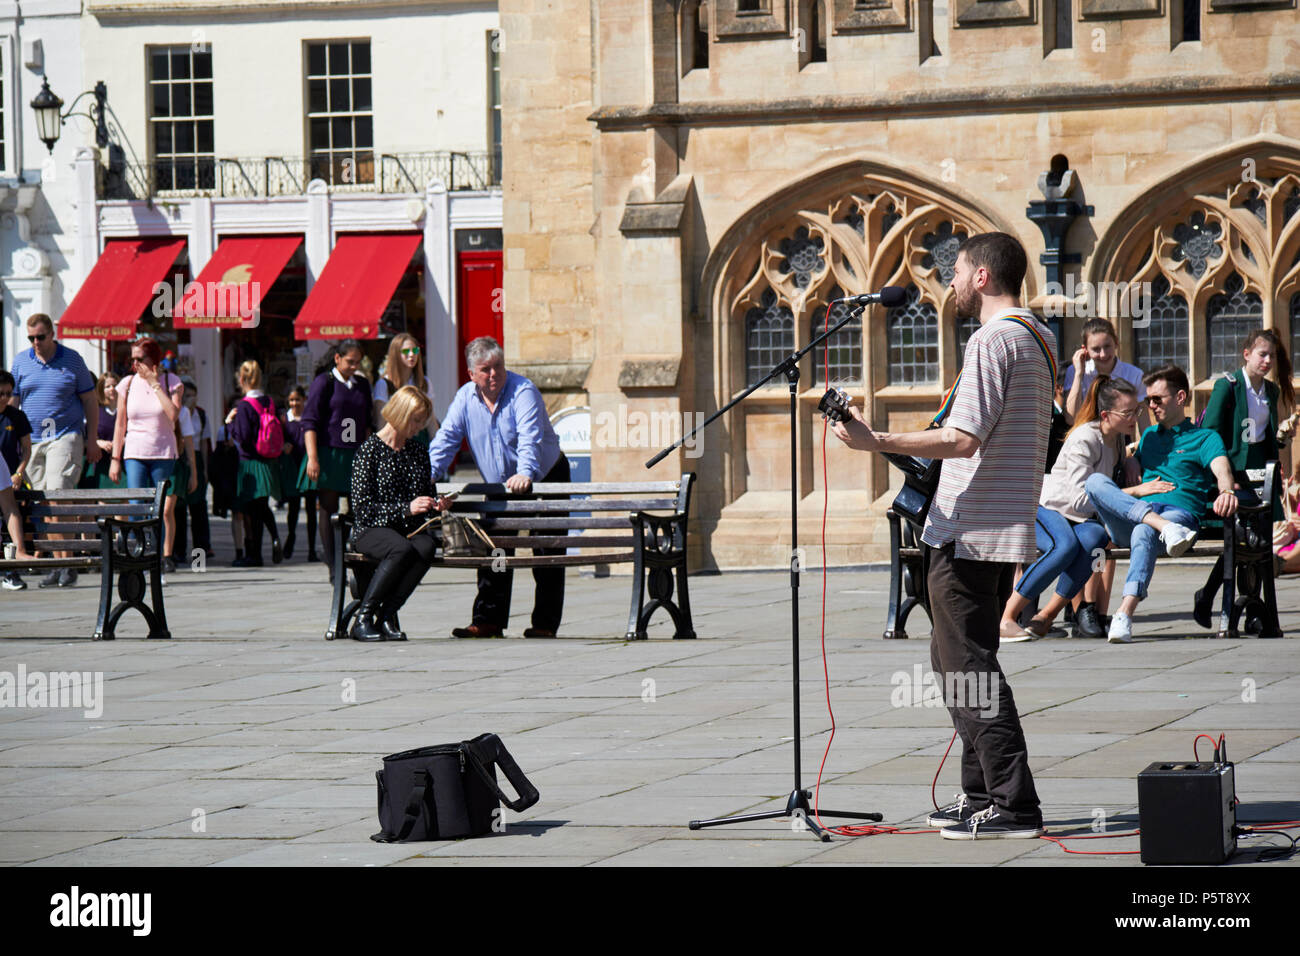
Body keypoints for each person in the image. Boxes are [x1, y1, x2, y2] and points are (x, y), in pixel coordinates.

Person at [831, 232, 1052, 839]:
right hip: (995, 524)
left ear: (982, 277)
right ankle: (979, 790)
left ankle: (1014, 803)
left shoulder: (992, 340)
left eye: (956, 272)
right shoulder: (1038, 338)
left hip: (971, 527)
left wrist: (880, 441)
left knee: (967, 666)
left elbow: (964, 439)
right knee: (957, 658)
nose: (948, 283)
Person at [1083, 365, 1240, 644]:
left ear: (1180, 397)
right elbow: (1128, 456)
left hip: (1178, 517)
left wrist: (1226, 490)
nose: (1151, 406)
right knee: (1094, 481)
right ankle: (1162, 527)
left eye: (1157, 399)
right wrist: (1131, 457)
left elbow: (1221, 467)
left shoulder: (1204, 438)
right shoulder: (1150, 437)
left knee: (1144, 531)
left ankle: (1124, 613)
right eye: (1148, 400)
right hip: (1138, 518)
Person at [427, 336, 569, 639]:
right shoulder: (465, 398)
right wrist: (425, 478)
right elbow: (445, 440)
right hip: (501, 483)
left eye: (498, 367)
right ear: (472, 374)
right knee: (495, 551)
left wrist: (525, 473)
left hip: (544, 475)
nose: (494, 374)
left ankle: (544, 623)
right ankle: (489, 620)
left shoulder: (523, 391)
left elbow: (529, 437)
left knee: (546, 550)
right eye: (486, 369)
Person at [999, 377, 1139, 642]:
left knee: (1097, 540)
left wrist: (1133, 460)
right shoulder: (1085, 439)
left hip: (1077, 516)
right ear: (1107, 415)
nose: (1134, 417)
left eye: (1136, 410)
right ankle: (1007, 617)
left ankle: (1046, 617)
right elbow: (1077, 499)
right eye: (1128, 412)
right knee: (1064, 546)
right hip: (1043, 507)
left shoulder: (1117, 440)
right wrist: (1126, 495)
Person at [349, 385, 452, 641]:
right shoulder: (369, 451)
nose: (418, 428)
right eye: (416, 420)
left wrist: (434, 504)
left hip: (407, 528)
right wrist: (406, 508)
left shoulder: (417, 452)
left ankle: (386, 616)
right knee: (400, 549)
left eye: (422, 421)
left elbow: (424, 494)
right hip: (370, 528)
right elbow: (362, 508)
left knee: (427, 546)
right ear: (401, 414)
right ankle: (363, 618)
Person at [10, 313, 100, 587]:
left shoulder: (72, 360)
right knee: (44, 503)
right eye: (31, 338)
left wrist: (92, 439)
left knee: (59, 495)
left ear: (52, 334)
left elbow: (91, 401)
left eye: (40, 336)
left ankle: (69, 563)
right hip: (33, 440)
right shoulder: (21, 361)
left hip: (65, 435)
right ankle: (57, 563)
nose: (35, 342)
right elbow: (13, 402)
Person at [109, 338, 187, 574]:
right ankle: (139, 554)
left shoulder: (172, 382)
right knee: (136, 506)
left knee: (159, 509)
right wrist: (115, 457)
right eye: (132, 359)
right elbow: (120, 422)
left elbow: (173, 415)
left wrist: (155, 384)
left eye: (140, 359)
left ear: (154, 360)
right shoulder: (127, 384)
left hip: (163, 452)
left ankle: (158, 558)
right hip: (134, 452)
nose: (135, 364)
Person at [298, 341, 372, 578]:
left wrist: (369, 455)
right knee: (328, 508)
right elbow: (309, 421)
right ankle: (333, 565)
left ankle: (358, 555)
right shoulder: (324, 382)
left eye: (357, 362)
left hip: (356, 453)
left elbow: (367, 423)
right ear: (337, 358)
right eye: (350, 361)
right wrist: (312, 457)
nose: (354, 366)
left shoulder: (362, 384)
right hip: (330, 452)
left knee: (358, 507)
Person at [1201, 328, 1294, 495]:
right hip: (1231, 467)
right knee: (1234, 519)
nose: (1268, 360)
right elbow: (1209, 432)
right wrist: (1222, 472)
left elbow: (1263, 433)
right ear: (1247, 355)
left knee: (1263, 518)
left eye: (1272, 356)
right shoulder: (1227, 386)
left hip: (1262, 466)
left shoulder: (1272, 391)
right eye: (1262, 354)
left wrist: (1281, 436)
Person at [227, 360, 285, 567]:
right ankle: (274, 535)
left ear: (241, 379)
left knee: (251, 510)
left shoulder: (243, 406)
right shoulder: (269, 401)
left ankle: (254, 554)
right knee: (261, 506)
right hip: (268, 461)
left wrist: (230, 424)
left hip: (249, 463)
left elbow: (241, 437)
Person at [372, 334, 439, 448]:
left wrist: (439, 447)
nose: (412, 354)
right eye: (406, 351)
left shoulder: (424, 383)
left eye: (415, 350)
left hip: (420, 440)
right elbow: (381, 424)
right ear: (396, 354)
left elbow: (431, 420)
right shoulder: (384, 384)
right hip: (394, 442)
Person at [0, 371, 33, 590]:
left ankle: (13, 566)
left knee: (11, 511)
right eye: (0, 393)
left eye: (8, 394)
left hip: (9, 475)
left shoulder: (16, 416)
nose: (4, 398)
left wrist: (19, 473)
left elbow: (27, 450)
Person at [173, 379, 213, 561]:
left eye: (192, 395)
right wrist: (186, 410)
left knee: (198, 508)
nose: (190, 399)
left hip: (196, 457)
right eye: (186, 396)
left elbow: (204, 444)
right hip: (181, 458)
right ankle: (178, 551)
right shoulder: (179, 414)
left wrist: (204, 469)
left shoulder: (202, 415)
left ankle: (201, 552)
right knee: (179, 508)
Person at [280, 385, 317, 561]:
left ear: (304, 400)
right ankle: (291, 537)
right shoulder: (284, 421)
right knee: (293, 509)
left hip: (308, 466)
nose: (295, 403)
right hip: (292, 469)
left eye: (298, 400)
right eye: (292, 400)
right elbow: (280, 440)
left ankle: (312, 549)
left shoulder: (309, 420)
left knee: (311, 509)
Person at [83, 373, 124, 490]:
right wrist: (99, 443)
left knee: (126, 501)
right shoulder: (95, 411)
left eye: (115, 385)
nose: (112, 389)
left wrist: (122, 441)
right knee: (104, 500)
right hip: (101, 463)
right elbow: (84, 439)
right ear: (101, 389)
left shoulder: (126, 409)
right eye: (108, 386)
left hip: (123, 463)